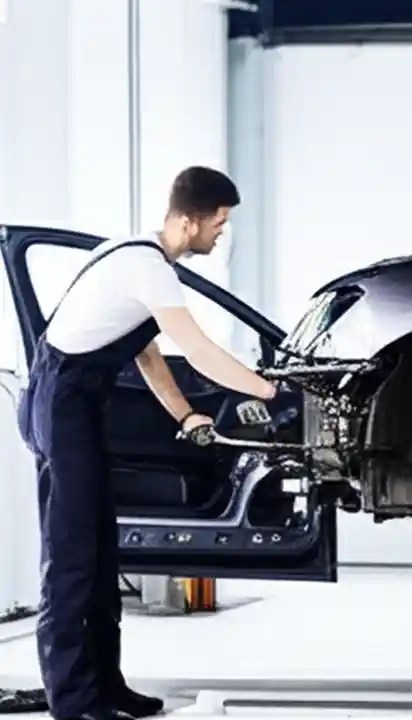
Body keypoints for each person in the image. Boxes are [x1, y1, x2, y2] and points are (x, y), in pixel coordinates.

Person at [16, 166, 278, 720]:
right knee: (72, 560)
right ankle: (74, 700)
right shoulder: (148, 268)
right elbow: (200, 351)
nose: (220, 235)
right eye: (218, 224)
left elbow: (147, 352)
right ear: (188, 221)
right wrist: (270, 389)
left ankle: (105, 687)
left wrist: (185, 414)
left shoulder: (136, 257)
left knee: (99, 553)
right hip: (61, 403)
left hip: (75, 402)